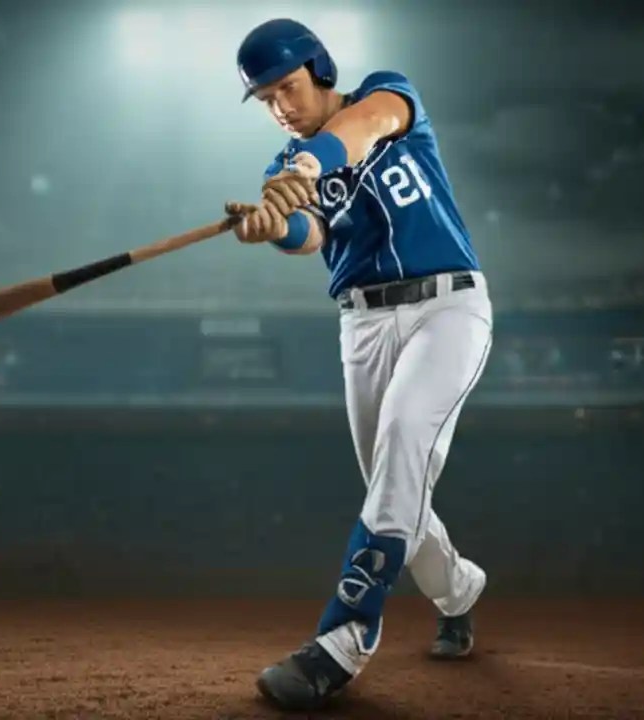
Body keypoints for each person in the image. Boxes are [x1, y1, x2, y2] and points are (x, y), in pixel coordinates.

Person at [230, 18, 495, 712]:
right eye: (265, 99)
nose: (280, 106)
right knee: (395, 488)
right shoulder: (281, 169)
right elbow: (307, 232)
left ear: (318, 67)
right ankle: (459, 590)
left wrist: (309, 166)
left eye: (286, 86)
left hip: (448, 308)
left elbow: (369, 125)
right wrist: (272, 224)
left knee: (405, 442)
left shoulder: (384, 93)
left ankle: (343, 639)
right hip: (364, 324)